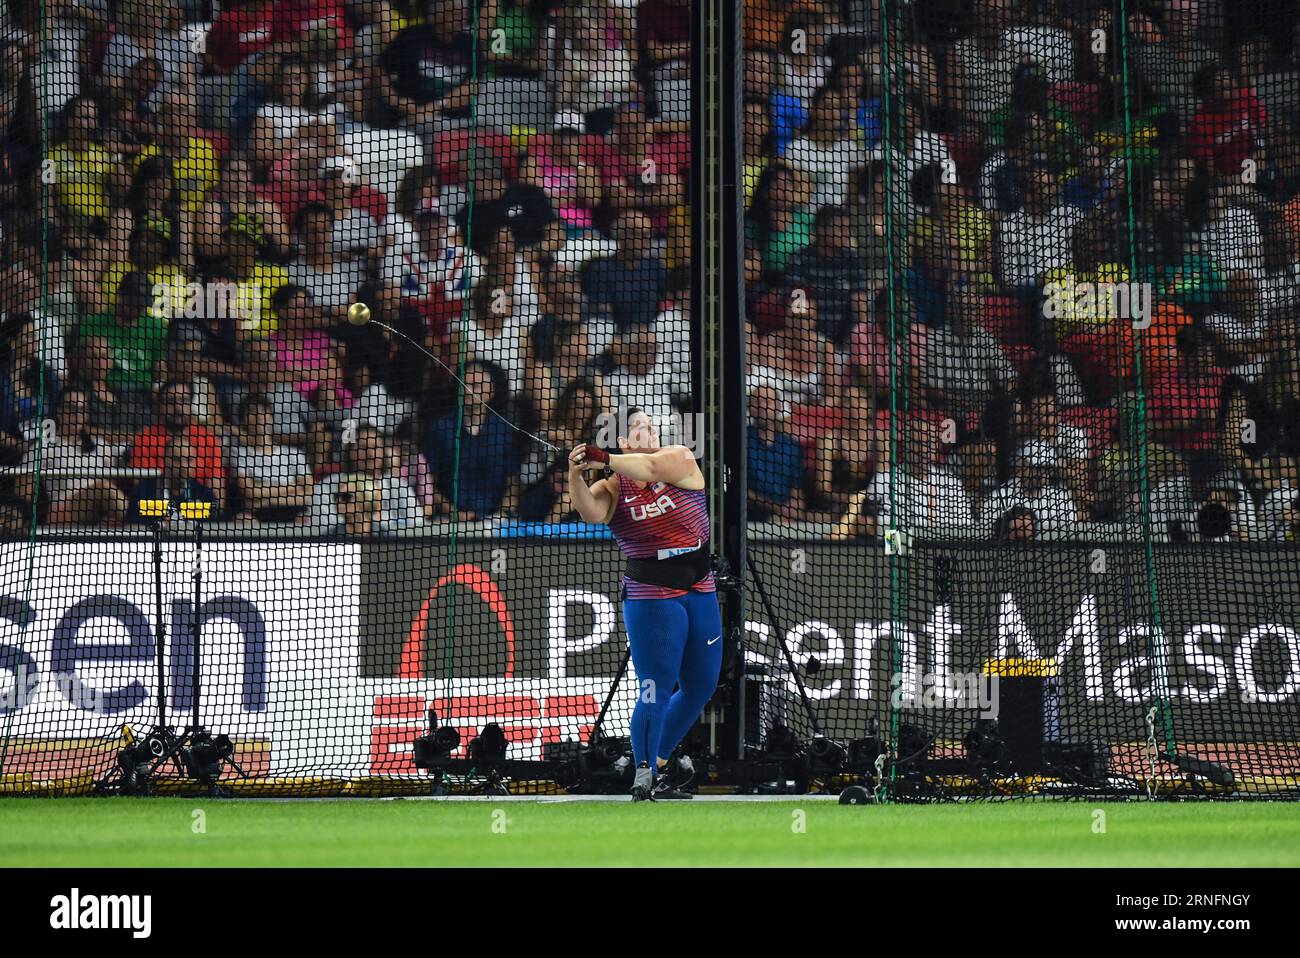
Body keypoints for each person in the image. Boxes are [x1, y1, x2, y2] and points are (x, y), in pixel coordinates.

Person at [567, 409, 721, 801]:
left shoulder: (679, 458)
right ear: (622, 441)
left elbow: (651, 466)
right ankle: (644, 771)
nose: (650, 429)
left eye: (652, 424)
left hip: (700, 587)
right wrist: (575, 474)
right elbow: (591, 513)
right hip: (651, 594)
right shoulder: (614, 485)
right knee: (655, 686)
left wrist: (603, 458)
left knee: (701, 684)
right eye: (640, 427)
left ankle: (661, 760)